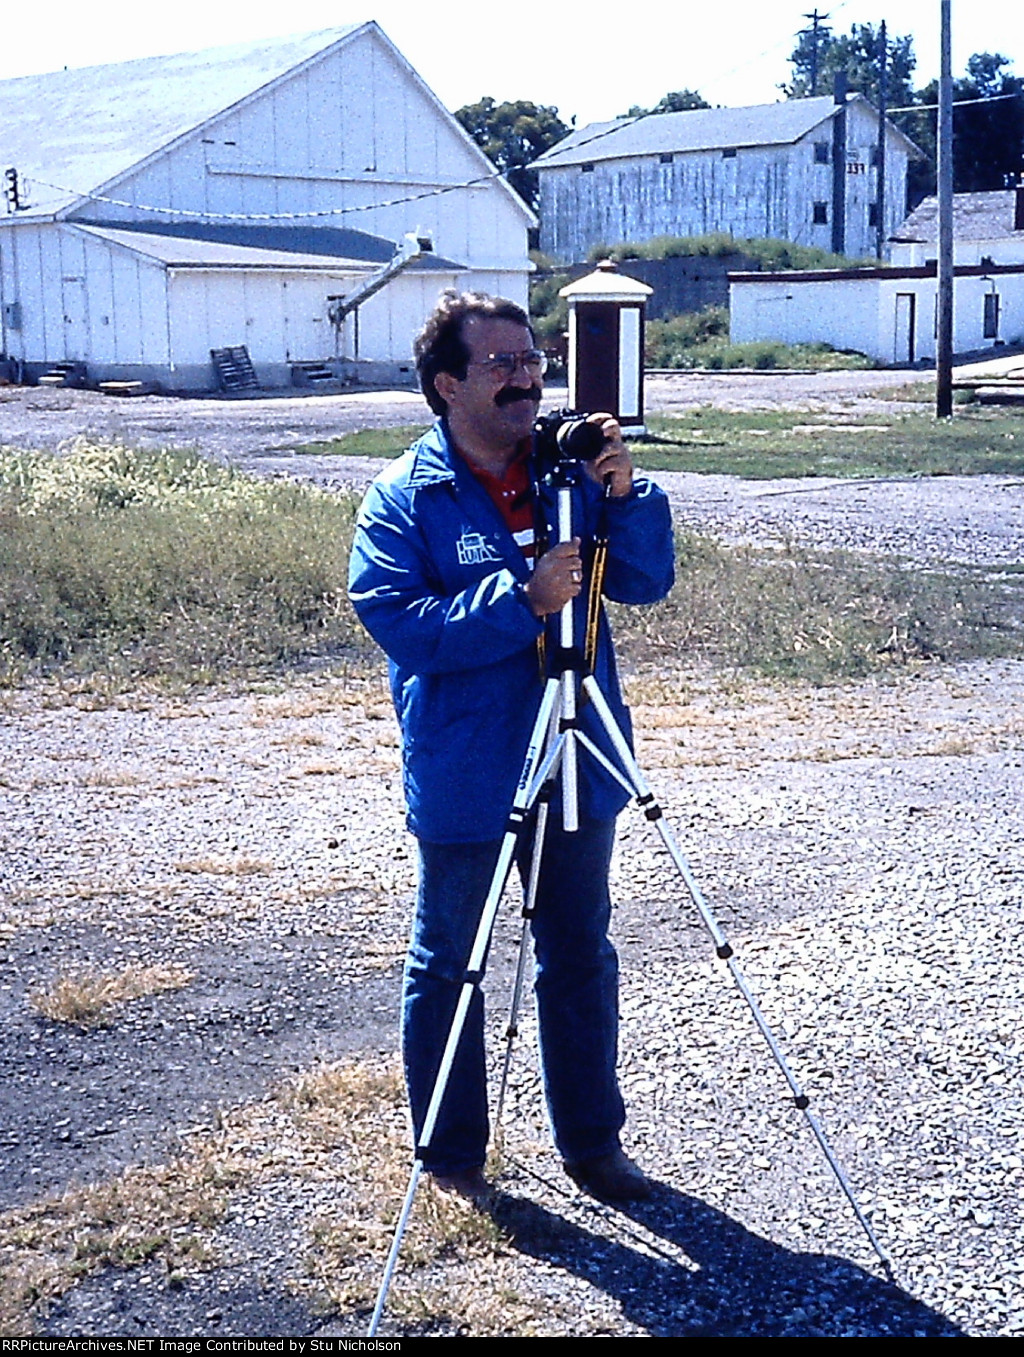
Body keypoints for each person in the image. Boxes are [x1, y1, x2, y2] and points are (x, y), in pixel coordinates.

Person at [347, 290, 674, 1202]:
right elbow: (400, 622)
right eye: (502, 364)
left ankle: (593, 1145)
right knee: (450, 959)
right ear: (447, 384)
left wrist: (626, 493)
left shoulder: (565, 473)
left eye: (533, 360)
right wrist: (519, 602)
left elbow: (645, 582)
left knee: (580, 951)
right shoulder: (404, 498)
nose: (527, 379)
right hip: (470, 767)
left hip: (577, 750)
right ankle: (450, 1156)